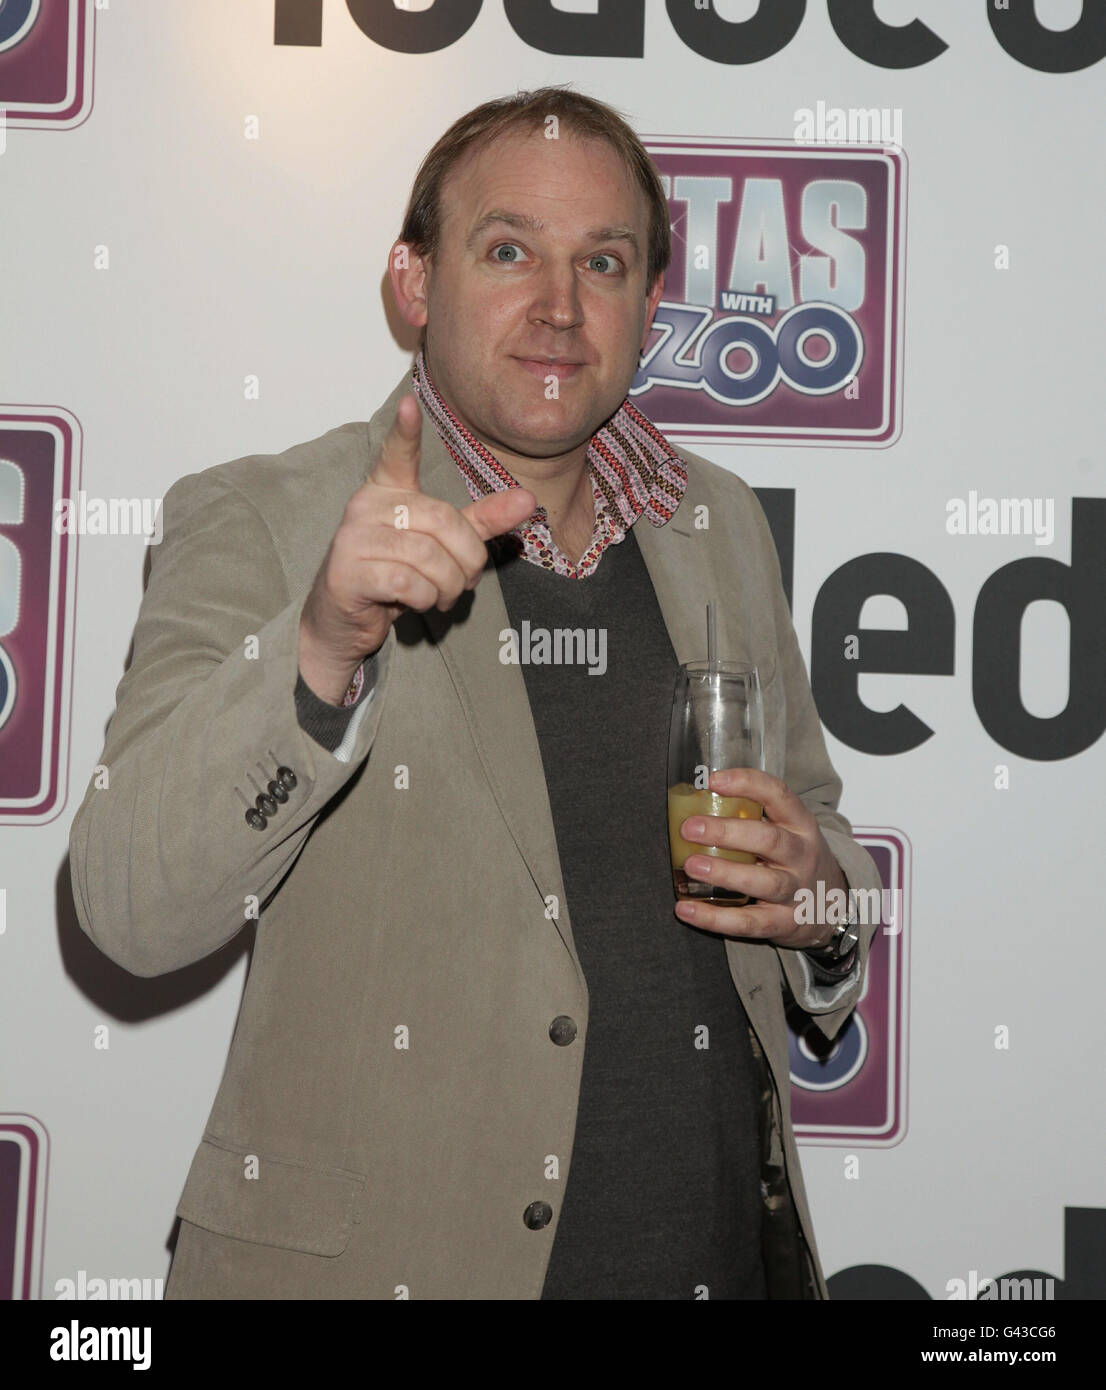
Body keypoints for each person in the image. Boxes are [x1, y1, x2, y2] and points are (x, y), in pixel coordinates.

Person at [68, 85, 882, 1300]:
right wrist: (323, 644)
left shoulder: (715, 525)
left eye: (601, 262)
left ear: (649, 305)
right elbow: (128, 908)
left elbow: (826, 847)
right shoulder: (266, 520)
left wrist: (822, 905)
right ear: (413, 284)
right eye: (507, 251)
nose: (558, 308)